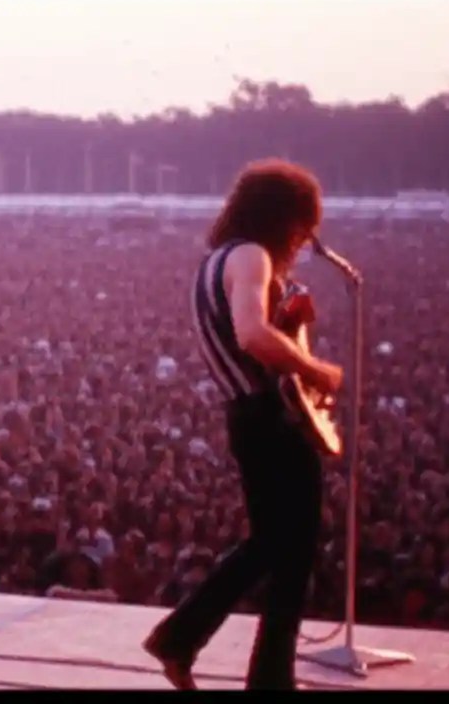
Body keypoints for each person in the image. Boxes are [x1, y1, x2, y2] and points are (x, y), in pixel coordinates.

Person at [142, 159, 343, 690]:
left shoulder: (217, 261)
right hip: (268, 418)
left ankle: (196, 644)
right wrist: (314, 368)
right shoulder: (251, 256)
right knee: (288, 550)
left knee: (275, 544)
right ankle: (205, 649)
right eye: (303, 225)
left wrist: (293, 323)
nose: (305, 239)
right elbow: (253, 335)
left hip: (247, 416)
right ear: (282, 217)